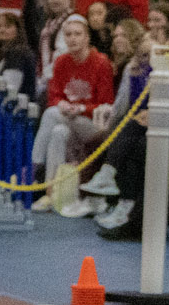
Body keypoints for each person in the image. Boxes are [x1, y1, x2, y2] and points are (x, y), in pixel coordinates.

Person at [32, 14, 115, 210]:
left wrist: (81, 108)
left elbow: (106, 104)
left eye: (78, 34)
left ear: (87, 38)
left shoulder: (101, 62)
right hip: (66, 119)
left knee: (51, 115)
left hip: (93, 125)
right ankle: (51, 193)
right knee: (57, 133)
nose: (72, 39)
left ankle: (35, 168)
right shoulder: (61, 61)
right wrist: (62, 104)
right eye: (68, 34)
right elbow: (54, 96)